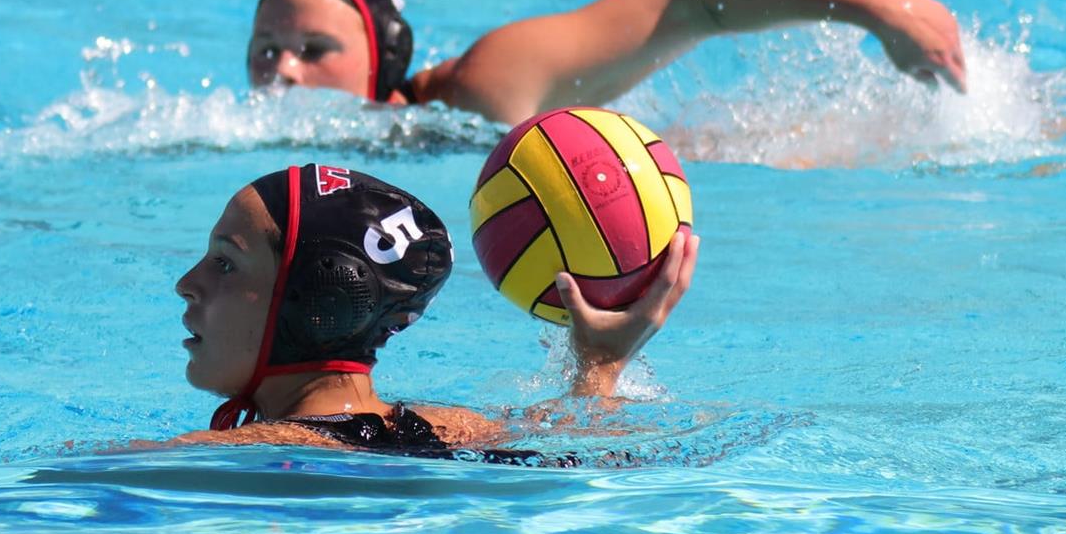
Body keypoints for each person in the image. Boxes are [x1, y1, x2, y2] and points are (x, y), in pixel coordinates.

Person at [170, 163, 697, 454]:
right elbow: (582, 432)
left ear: (321, 301)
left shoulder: (253, 452)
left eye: (225, 263)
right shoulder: (452, 426)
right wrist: (600, 365)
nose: (186, 284)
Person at [245, 0, 967, 126]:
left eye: (316, 51)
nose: (283, 71)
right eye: (267, 51)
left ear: (387, 56)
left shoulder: (481, 86)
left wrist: (879, 6)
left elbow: (691, 4)